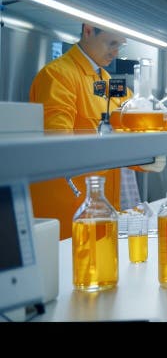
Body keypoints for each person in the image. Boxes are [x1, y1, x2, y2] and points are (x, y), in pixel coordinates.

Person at [28, 23, 149, 239]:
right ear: (88, 29)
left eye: (120, 45)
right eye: (111, 43)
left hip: (104, 214)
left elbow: (132, 136)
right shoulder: (58, 76)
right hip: (67, 219)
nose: (115, 52)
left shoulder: (112, 85)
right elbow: (59, 150)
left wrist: (148, 158)